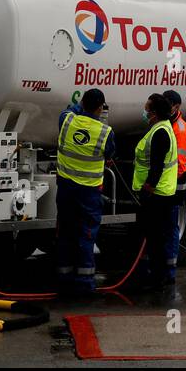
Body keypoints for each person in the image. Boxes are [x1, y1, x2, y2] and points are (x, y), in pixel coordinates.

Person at [54, 88, 113, 295]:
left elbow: (71, 110)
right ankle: (85, 283)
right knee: (86, 236)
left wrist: (83, 106)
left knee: (65, 233)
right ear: (100, 108)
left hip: (66, 189)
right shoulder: (105, 132)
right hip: (89, 193)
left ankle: (64, 277)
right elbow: (110, 153)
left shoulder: (67, 121)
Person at [132, 92, 178, 290]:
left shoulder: (160, 132)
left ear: (155, 113)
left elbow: (157, 165)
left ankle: (158, 277)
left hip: (157, 194)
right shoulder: (161, 128)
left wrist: (148, 188)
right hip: (161, 192)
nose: (145, 112)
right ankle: (160, 275)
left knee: (155, 238)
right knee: (156, 236)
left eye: (147, 109)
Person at [162, 89, 186, 270]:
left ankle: (169, 267)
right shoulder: (168, 126)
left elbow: (180, 167)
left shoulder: (180, 131)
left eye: (168, 104)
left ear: (176, 107)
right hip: (168, 185)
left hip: (174, 187)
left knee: (170, 227)